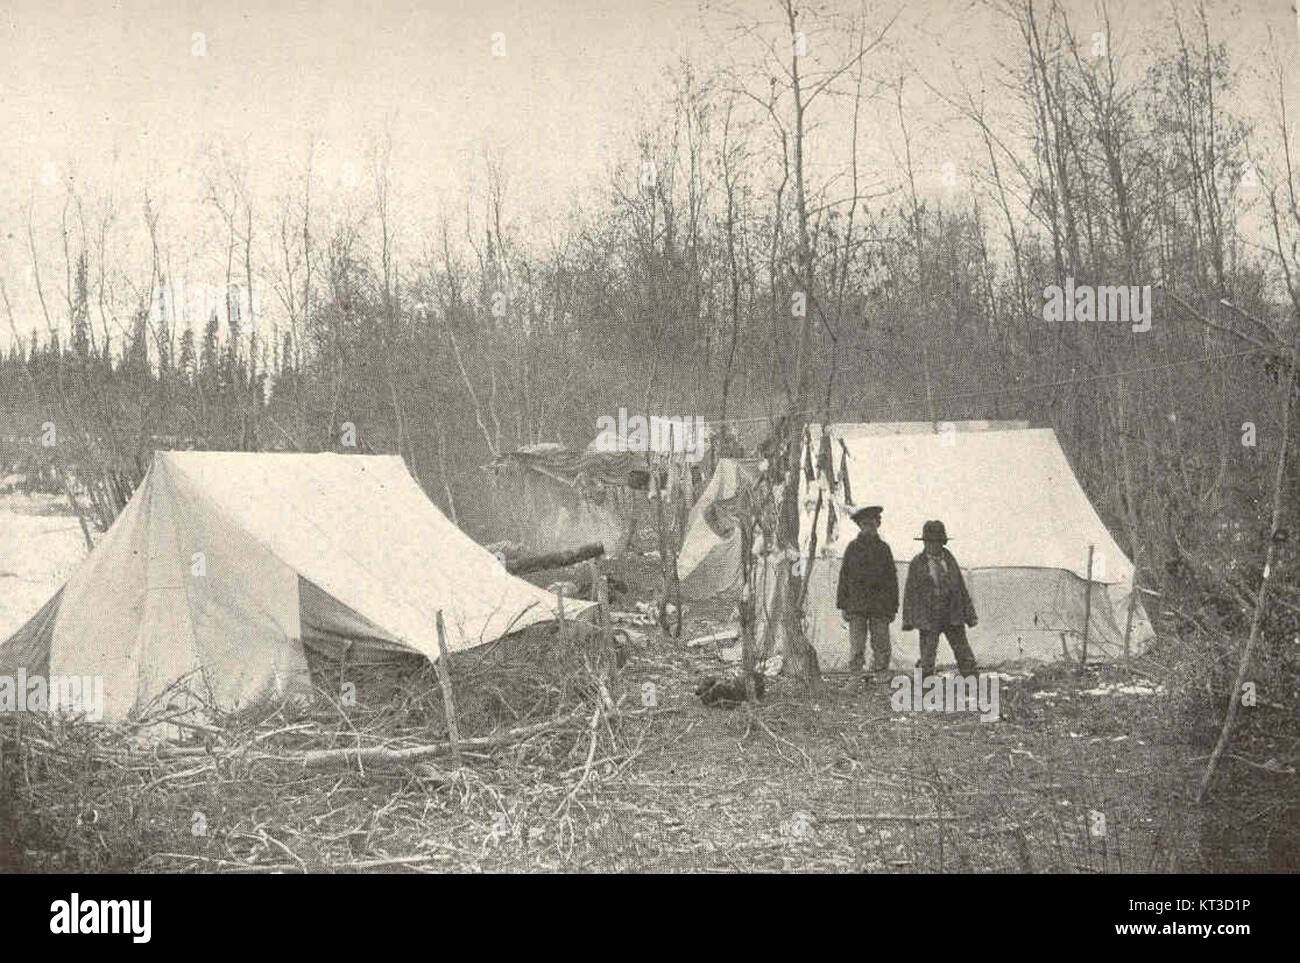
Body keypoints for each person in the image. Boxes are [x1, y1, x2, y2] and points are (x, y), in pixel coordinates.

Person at [901, 520, 979, 677]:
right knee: (927, 655)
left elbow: (961, 589)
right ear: (924, 542)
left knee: (963, 651)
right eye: (929, 542)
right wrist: (908, 620)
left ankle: (972, 681)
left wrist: (970, 615)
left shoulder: (950, 560)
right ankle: (925, 686)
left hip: (952, 613)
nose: (932, 546)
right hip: (928, 616)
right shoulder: (917, 563)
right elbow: (910, 592)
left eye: (936, 542)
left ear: (942, 542)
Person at [835, 505, 898, 687]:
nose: (868, 528)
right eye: (864, 525)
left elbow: (892, 580)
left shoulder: (884, 549)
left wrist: (892, 607)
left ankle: (882, 675)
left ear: (878, 525)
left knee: (882, 643)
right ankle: (855, 676)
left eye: (872, 524)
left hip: (880, 606)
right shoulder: (852, 548)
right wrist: (843, 605)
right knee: (856, 645)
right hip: (856, 606)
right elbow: (844, 577)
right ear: (860, 526)